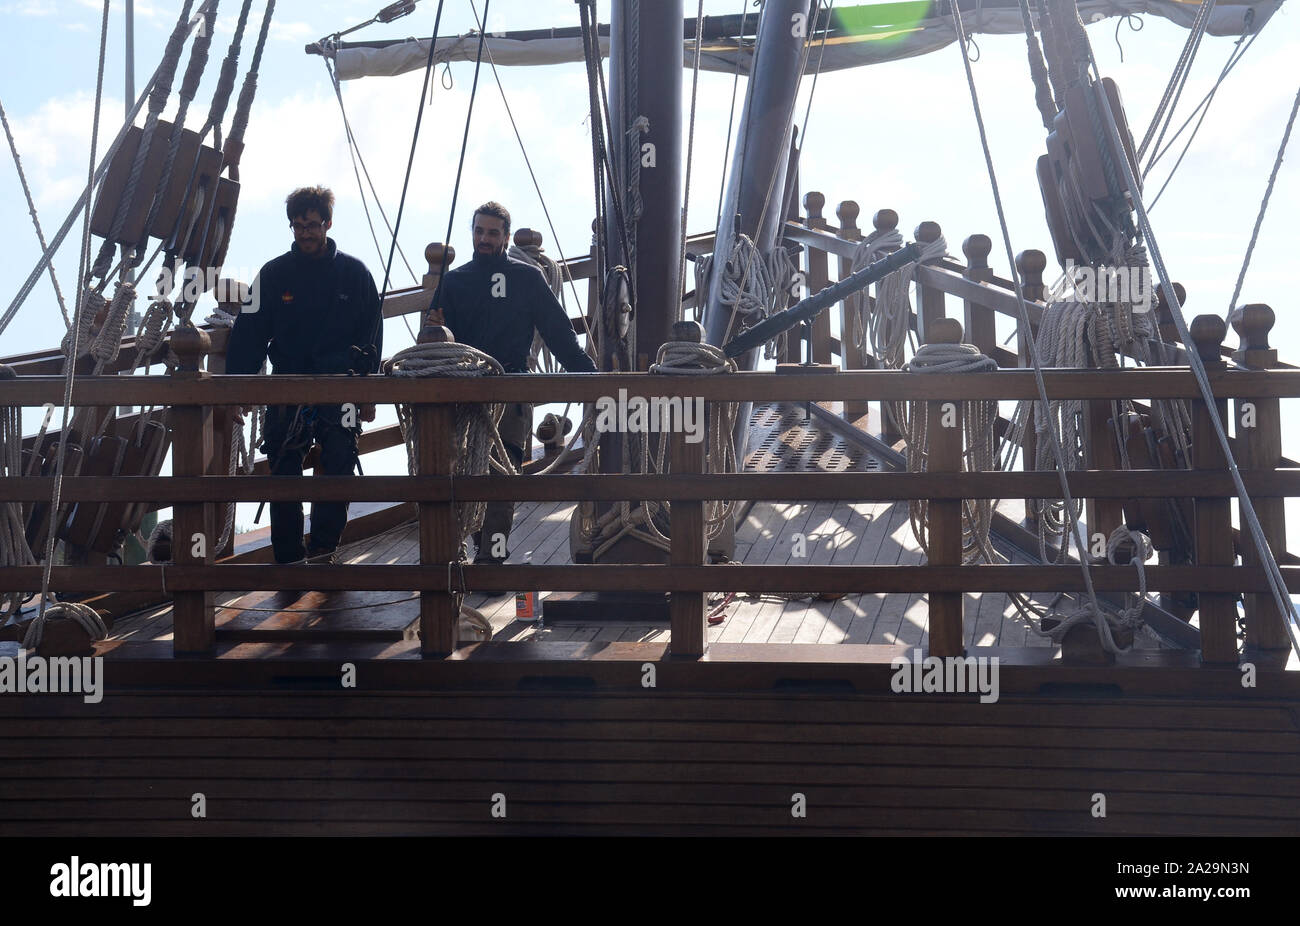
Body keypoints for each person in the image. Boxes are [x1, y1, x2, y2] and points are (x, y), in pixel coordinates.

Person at [426, 201, 596, 564]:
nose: (483, 239)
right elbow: (437, 340)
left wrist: (591, 378)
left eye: (491, 232)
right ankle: (470, 550)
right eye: (478, 231)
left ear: (505, 236)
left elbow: (559, 335)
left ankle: (492, 560)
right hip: (463, 393)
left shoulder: (527, 278)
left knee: (502, 478)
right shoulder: (453, 283)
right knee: (464, 474)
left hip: (510, 390)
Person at [226, 186, 383, 565]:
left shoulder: (355, 273)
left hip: (341, 384)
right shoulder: (274, 274)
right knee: (283, 468)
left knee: (340, 462)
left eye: (313, 225)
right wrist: (236, 389)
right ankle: (288, 558)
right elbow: (249, 333)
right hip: (286, 384)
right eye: (299, 226)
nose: (306, 233)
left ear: (328, 224)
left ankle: (324, 549)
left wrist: (369, 391)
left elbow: (372, 334)